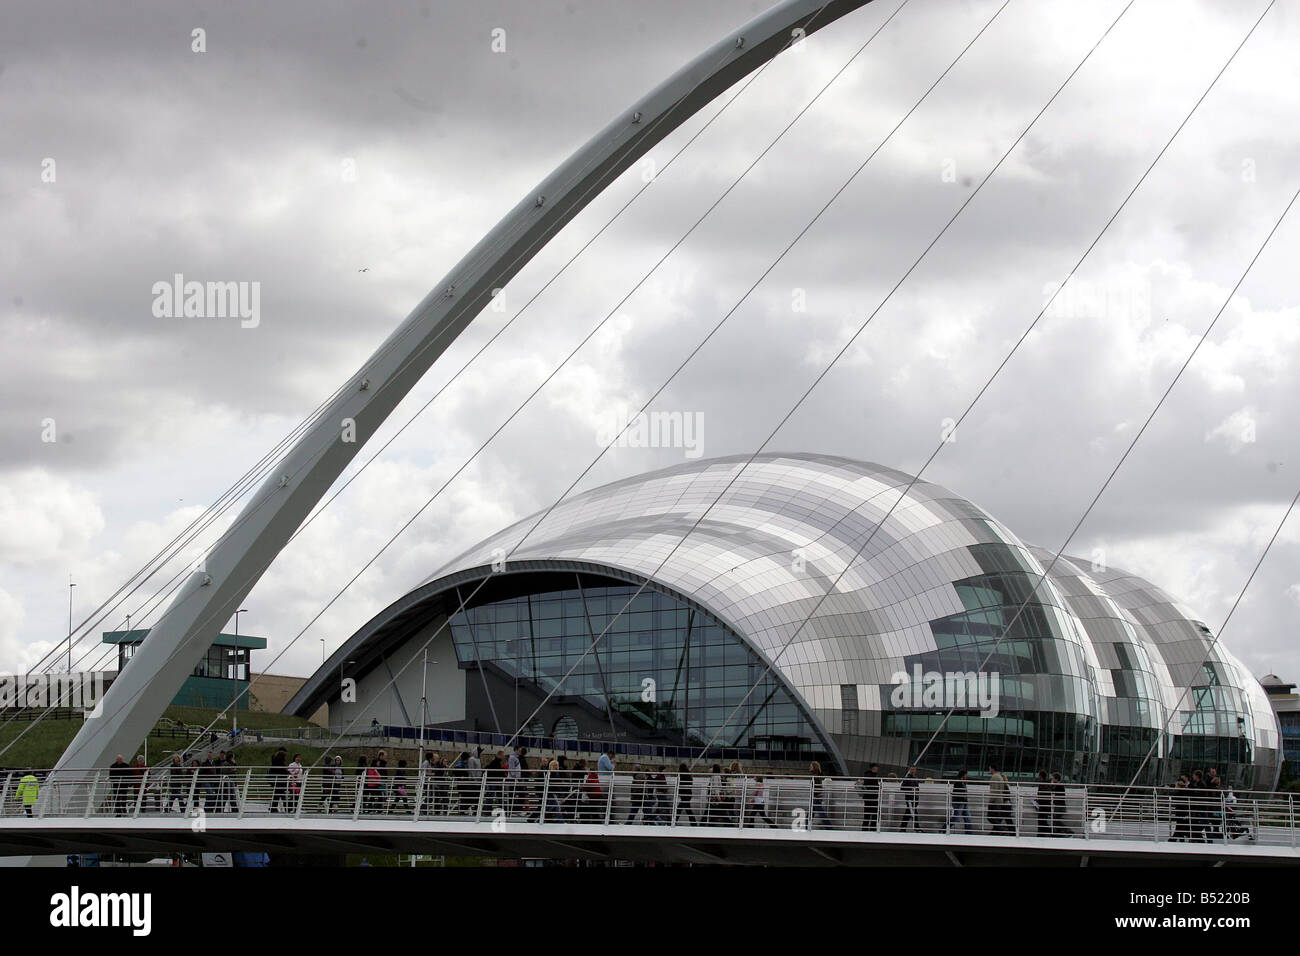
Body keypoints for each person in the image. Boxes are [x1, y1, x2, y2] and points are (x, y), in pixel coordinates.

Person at [987, 765, 1012, 834]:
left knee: (990, 817)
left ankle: (1002, 829)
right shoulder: (999, 777)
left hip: (995, 801)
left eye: (989, 769)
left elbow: (994, 790)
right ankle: (998, 831)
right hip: (1000, 801)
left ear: (992, 769)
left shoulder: (994, 777)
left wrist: (991, 800)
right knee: (997, 818)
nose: (989, 770)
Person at [857, 764, 880, 831]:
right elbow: (870, 786)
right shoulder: (871, 776)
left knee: (868, 814)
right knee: (872, 814)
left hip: (869, 797)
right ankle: (871, 828)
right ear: (873, 768)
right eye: (876, 768)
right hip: (871, 797)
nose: (877, 769)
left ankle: (866, 829)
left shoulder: (869, 775)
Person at [948, 769, 972, 834]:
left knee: (968, 818)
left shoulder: (963, 782)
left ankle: (969, 833)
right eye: (966, 775)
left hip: (963, 803)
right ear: (963, 775)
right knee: (956, 818)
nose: (967, 776)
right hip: (959, 803)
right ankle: (944, 828)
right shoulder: (958, 782)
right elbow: (957, 793)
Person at [900, 766, 920, 832]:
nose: (912, 771)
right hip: (909, 798)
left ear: (915, 770)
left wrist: (916, 792)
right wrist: (910, 789)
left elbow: (917, 789)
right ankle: (916, 828)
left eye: (914, 769)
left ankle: (903, 827)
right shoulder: (907, 778)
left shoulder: (915, 778)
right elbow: (902, 788)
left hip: (915, 798)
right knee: (911, 812)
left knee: (910, 812)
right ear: (909, 770)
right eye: (911, 769)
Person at [268, 746, 288, 813]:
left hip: (275, 779)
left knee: (278, 794)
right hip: (280, 780)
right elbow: (282, 771)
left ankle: (273, 808)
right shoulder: (280, 761)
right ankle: (286, 808)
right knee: (280, 794)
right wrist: (287, 772)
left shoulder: (274, 759)